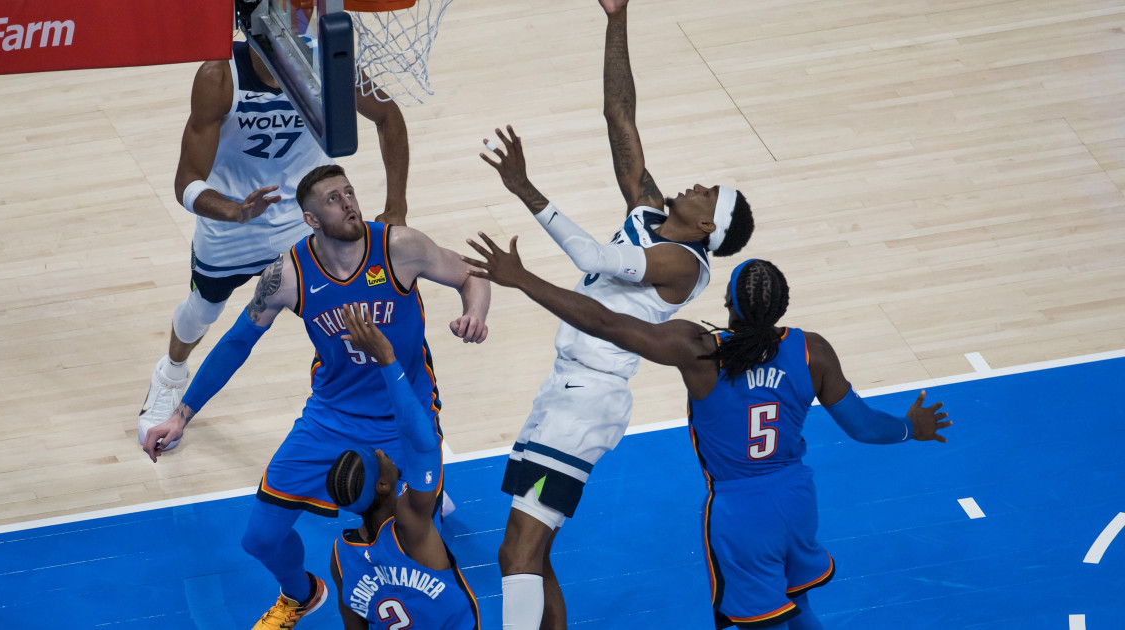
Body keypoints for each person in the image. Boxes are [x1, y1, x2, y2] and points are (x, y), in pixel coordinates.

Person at [462, 241, 952, 630]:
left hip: (742, 513)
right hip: (796, 499)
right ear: (782, 306)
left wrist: (522, 279)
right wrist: (913, 427)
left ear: (728, 303)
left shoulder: (699, 350)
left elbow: (605, 322)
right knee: (797, 609)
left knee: (765, 624)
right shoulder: (812, 351)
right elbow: (864, 426)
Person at [478, 0, 755, 621]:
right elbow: (619, 116)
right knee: (528, 555)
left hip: (586, 404)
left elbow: (595, 261)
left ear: (709, 224)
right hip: (562, 389)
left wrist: (525, 199)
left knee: (516, 557)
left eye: (707, 191)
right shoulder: (653, 211)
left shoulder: (685, 265)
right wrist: (617, 19)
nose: (694, 184)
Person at [141, 164, 490, 630]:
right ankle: (301, 594)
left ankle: (431, 516)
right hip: (329, 419)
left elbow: (473, 274)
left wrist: (475, 312)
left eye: (349, 192)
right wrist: (182, 414)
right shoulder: (287, 274)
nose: (348, 202)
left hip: (401, 416)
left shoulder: (400, 247)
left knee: (417, 550)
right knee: (259, 539)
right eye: (332, 198)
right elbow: (236, 343)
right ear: (310, 219)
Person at [137, 40, 410, 449]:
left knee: (354, 308)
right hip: (231, 219)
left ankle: (395, 429)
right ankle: (171, 373)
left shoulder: (326, 63)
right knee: (203, 311)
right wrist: (236, 211)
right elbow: (186, 184)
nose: (300, 20)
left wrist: (396, 206)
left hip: (302, 217)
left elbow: (388, 116)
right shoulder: (220, 75)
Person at [326, 304, 481, 629]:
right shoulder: (410, 525)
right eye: (378, 457)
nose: (383, 451)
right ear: (382, 486)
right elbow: (424, 444)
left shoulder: (341, 556)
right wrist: (387, 360)